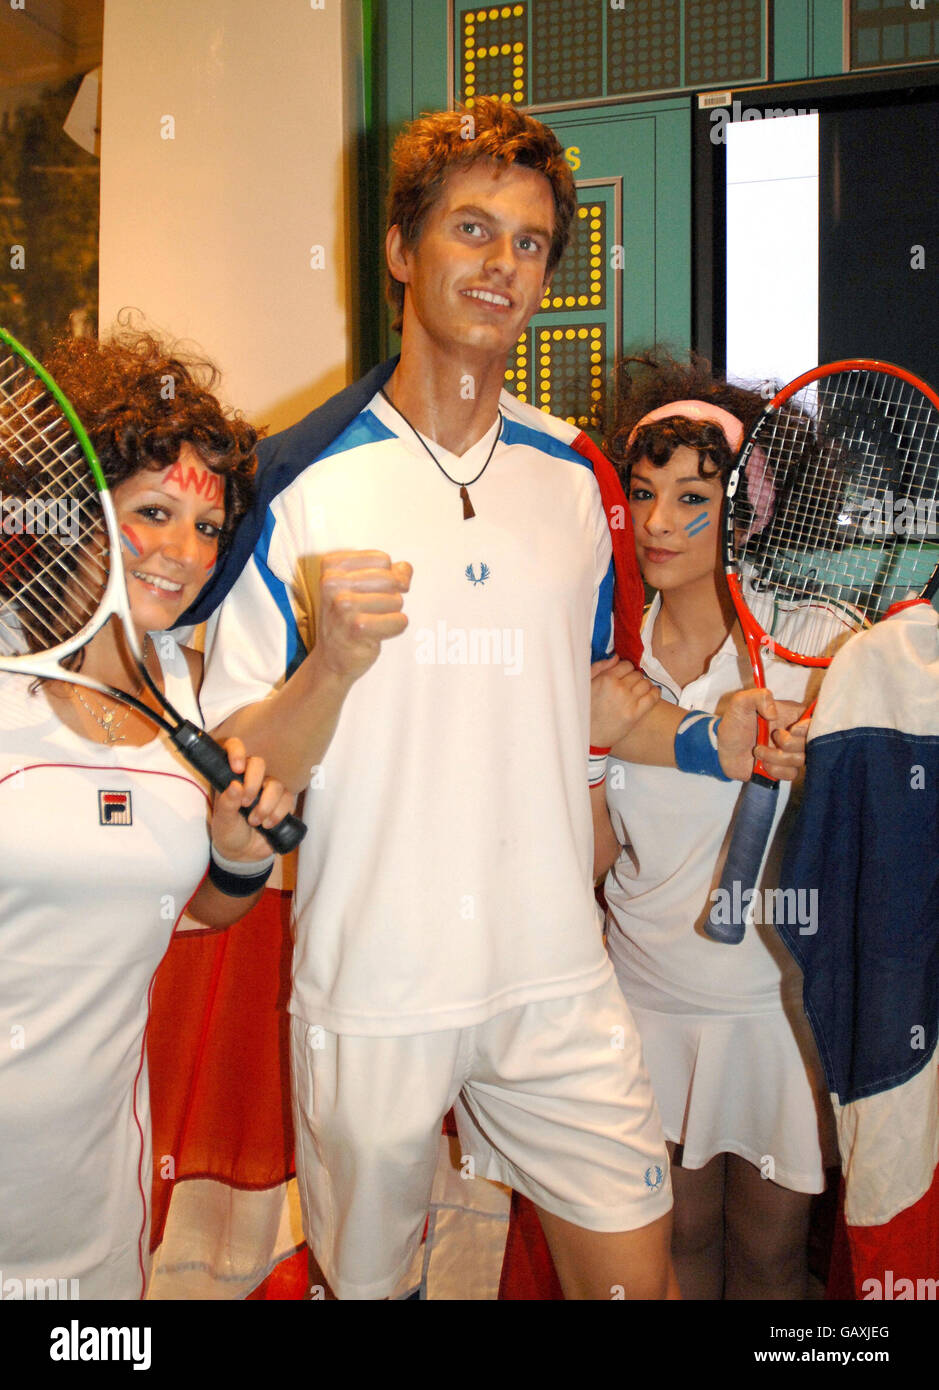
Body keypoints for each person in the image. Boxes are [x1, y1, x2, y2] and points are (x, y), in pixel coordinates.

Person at [199, 101, 805, 1301]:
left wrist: (701, 737)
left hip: (554, 981)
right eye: (472, 229)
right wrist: (330, 668)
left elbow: (577, 695)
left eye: (529, 243)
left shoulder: (575, 480)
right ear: (398, 247)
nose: (502, 266)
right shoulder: (294, 478)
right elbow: (242, 765)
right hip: (377, 980)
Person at [0, 332, 294, 1300]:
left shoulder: (188, 694)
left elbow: (189, 911)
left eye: (207, 528)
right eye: (153, 513)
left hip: (93, 1195)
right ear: (76, 515)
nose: (184, 552)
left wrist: (239, 861)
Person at [590, 352, 842, 1300]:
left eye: (693, 497)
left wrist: (820, 770)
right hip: (642, 1000)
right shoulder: (607, 659)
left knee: (774, 1259)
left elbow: (882, 835)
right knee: (676, 1248)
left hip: (774, 1008)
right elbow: (594, 854)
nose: (658, 523)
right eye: (643, 492)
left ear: (752, 509)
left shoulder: (819, 646)